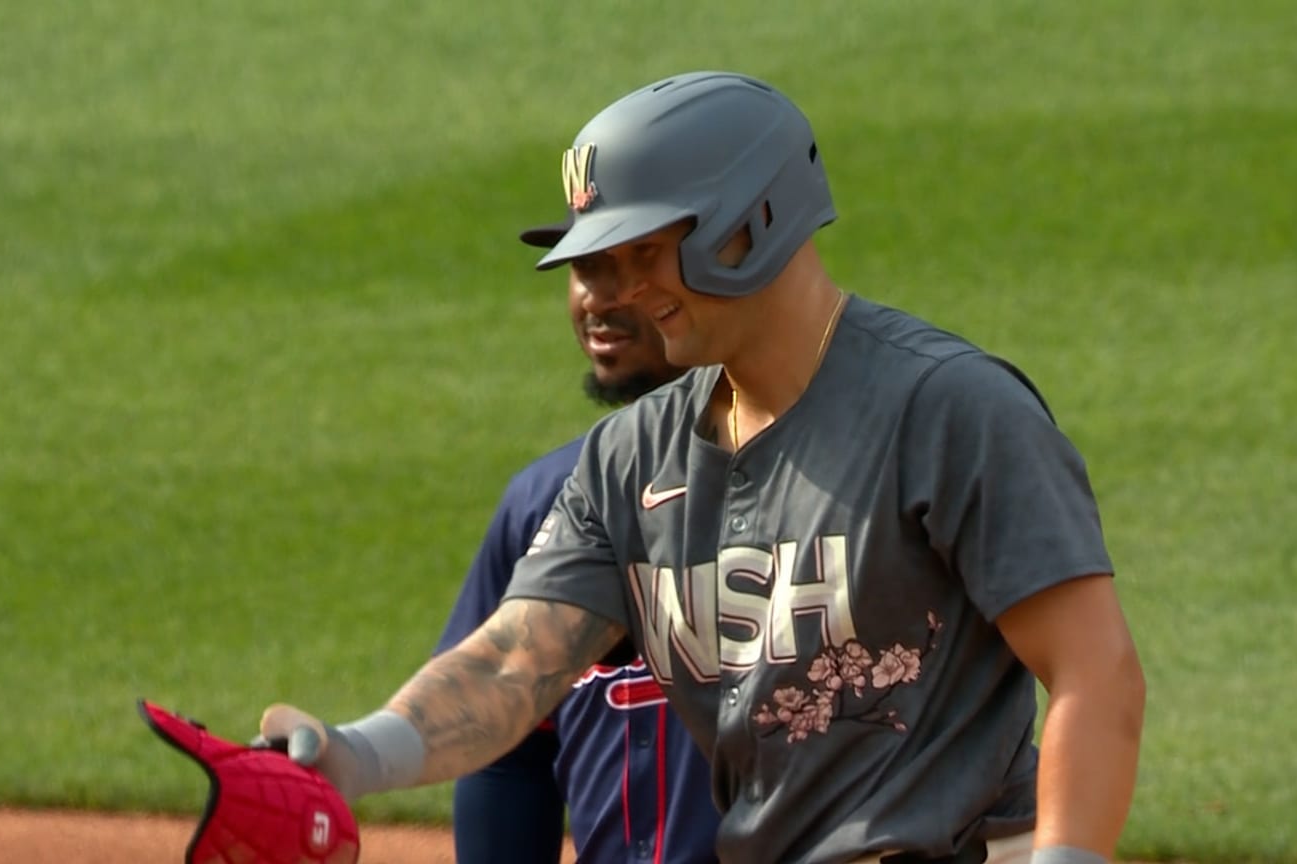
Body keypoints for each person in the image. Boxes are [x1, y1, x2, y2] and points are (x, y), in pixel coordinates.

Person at [259, 71, 1146, 864]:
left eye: (642, 251)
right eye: (595, 264)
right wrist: (353, 753)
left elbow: (1094, 669)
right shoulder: (630, 455)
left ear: (749, 222)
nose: (613, 291)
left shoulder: (948, 409)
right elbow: (511, 664)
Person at [433, 217, 719, 864]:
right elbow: (502, 746)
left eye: (630, 262)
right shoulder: (546, 503)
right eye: (584, 266)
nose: (597, 297)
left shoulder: (826, 488)